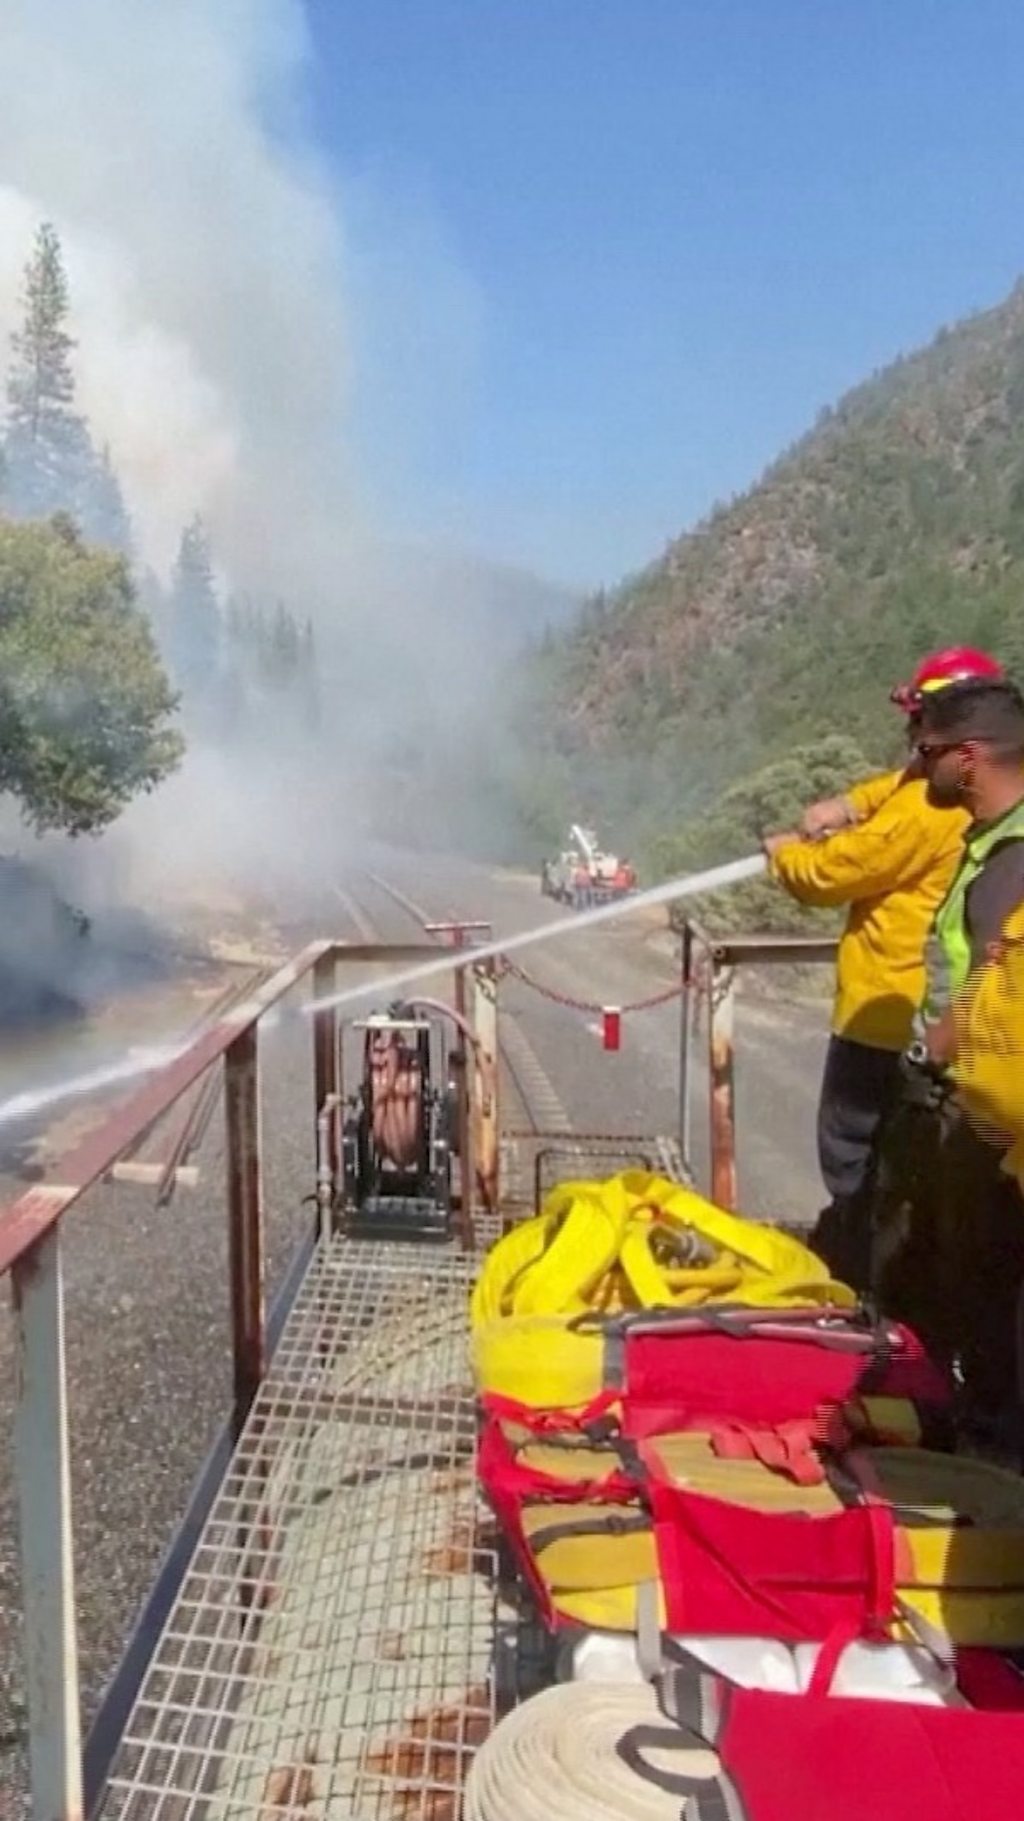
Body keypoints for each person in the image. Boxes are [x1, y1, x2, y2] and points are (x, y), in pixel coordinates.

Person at [759, 659, 1003, 1286]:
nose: (913, 737)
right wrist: (847, 803)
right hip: (919, 1021)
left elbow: (835, 872)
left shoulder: (930, 808)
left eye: (922, 724)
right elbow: (900, 783)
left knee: (857, 1164)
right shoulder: (959, 786)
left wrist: (786, 855)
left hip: (886, 1015)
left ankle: (863, 1292)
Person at [872, 679, 1024, 1440]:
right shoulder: (989, 842)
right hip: (979, 1097)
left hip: (987, 1110)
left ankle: (982, 1444)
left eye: (927, 750)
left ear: (969, 758)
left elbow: (1000, 977)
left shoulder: (1011, 862)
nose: (917, 763)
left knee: (978, 1281)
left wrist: (936, 1049)